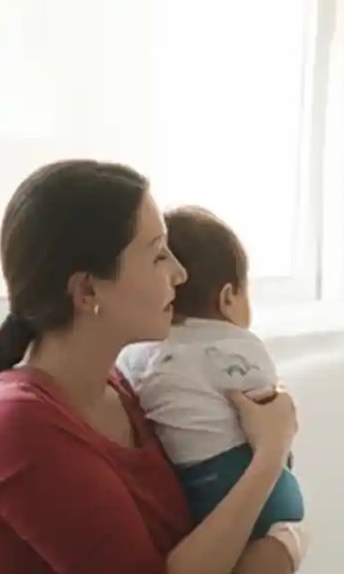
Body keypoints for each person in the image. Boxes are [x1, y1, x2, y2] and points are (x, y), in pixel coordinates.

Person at [0, 159, 299, 574]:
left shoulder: (126, 390)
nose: (180, 273)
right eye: (158, 254)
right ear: (87, 290)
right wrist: (270, 456)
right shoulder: (18, 430)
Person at [118, 205, 307, 573]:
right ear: (227, 298)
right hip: (248, 482)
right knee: (287, 517)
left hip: (190, 494)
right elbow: (272, 410)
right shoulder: (239, 345)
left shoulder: (135, 354)